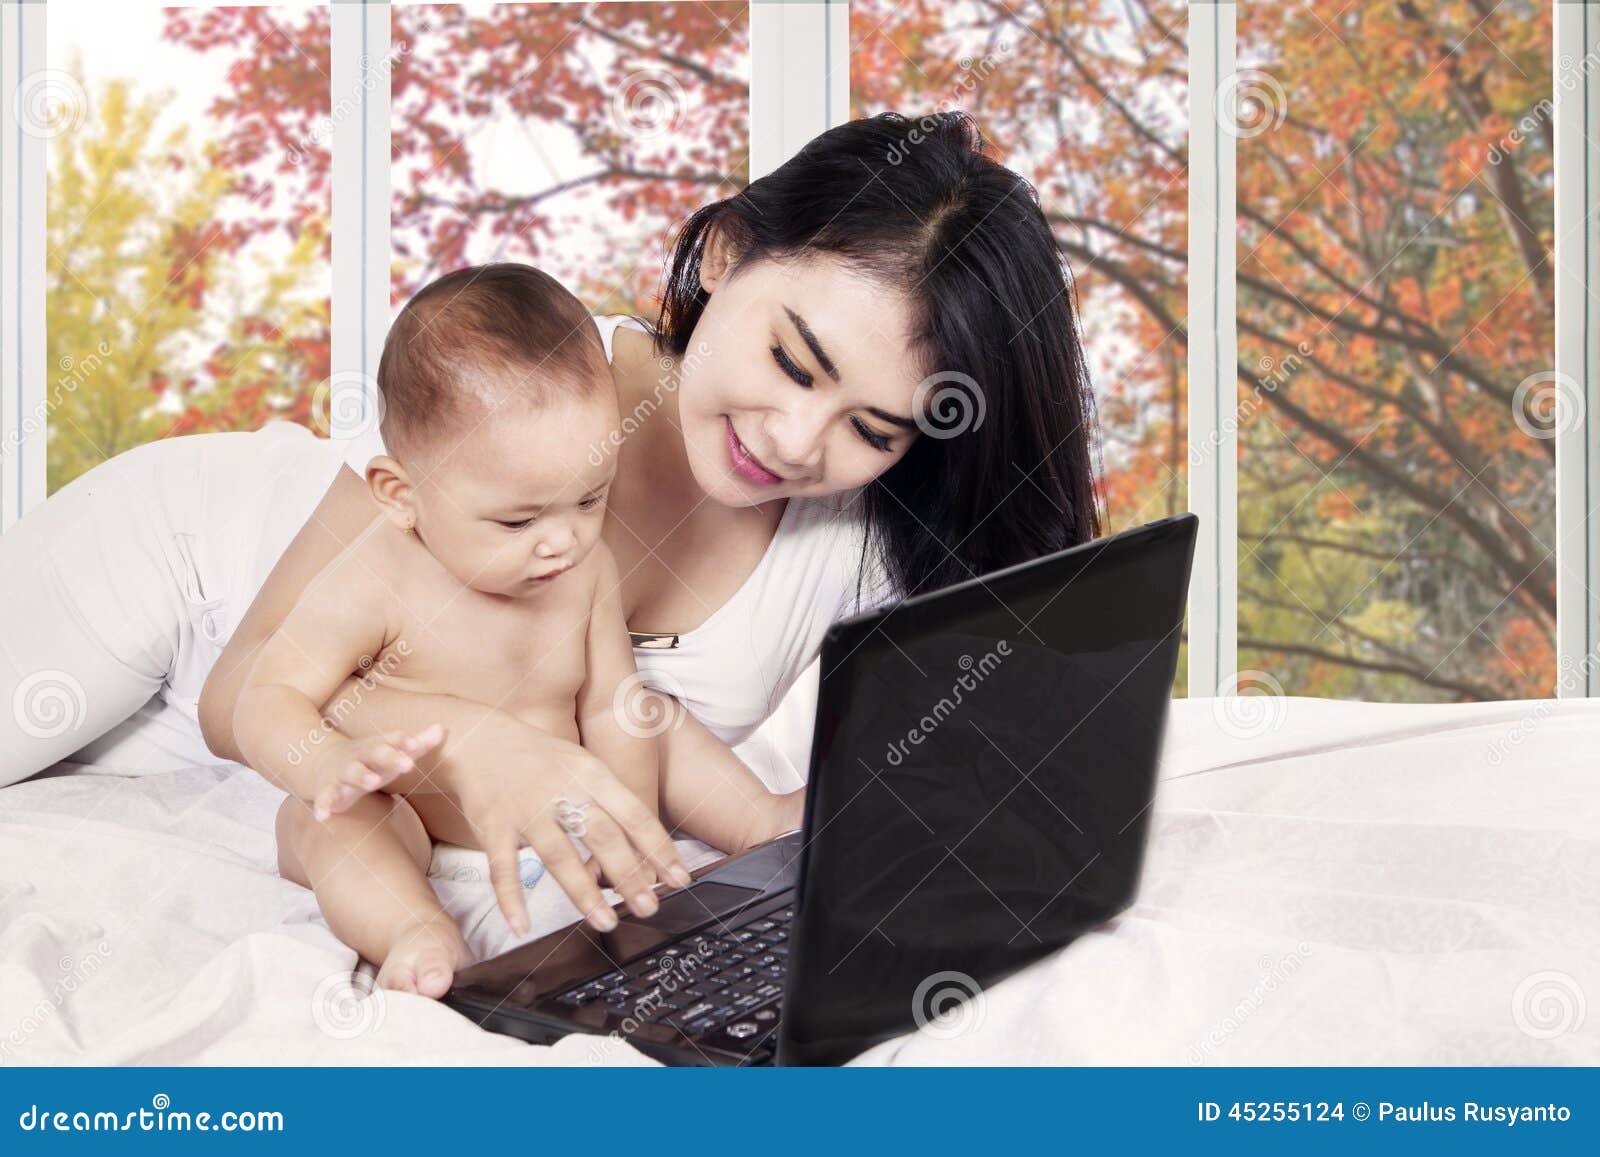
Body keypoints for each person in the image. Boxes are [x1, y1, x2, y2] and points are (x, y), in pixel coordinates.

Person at [0, 111, 1102, 941]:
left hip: (291, 778)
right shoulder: (527, 386)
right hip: (180, 578)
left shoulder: (856, 540)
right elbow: (240, 691)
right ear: (722, 257)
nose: (797, 438)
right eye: (789, 358)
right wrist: (482, 742)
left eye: (873, 423)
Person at [231, 263, 801, 997]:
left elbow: (606, 702)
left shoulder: (583, 570)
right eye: (518, 519)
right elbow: (265, 697)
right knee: (329, 823)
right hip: (422, 833)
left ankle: (760, 817)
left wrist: (617, 817)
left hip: (555, 822)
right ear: (401, 495)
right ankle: (414, 926)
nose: (561, 540)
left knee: (649, 711)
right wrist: (326, 766)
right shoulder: (372, 579)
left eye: (590, 497)